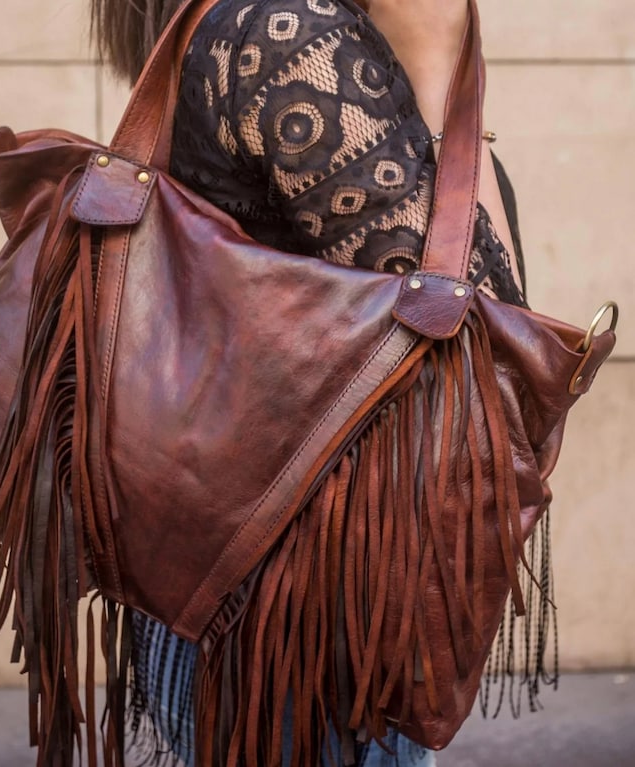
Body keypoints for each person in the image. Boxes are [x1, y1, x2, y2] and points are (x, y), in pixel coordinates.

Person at [90, 0, 527, 764]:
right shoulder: (286, 35)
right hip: (297, 616)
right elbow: (490, 342)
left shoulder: (238, 27)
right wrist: (434, 61)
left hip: (224, 585)